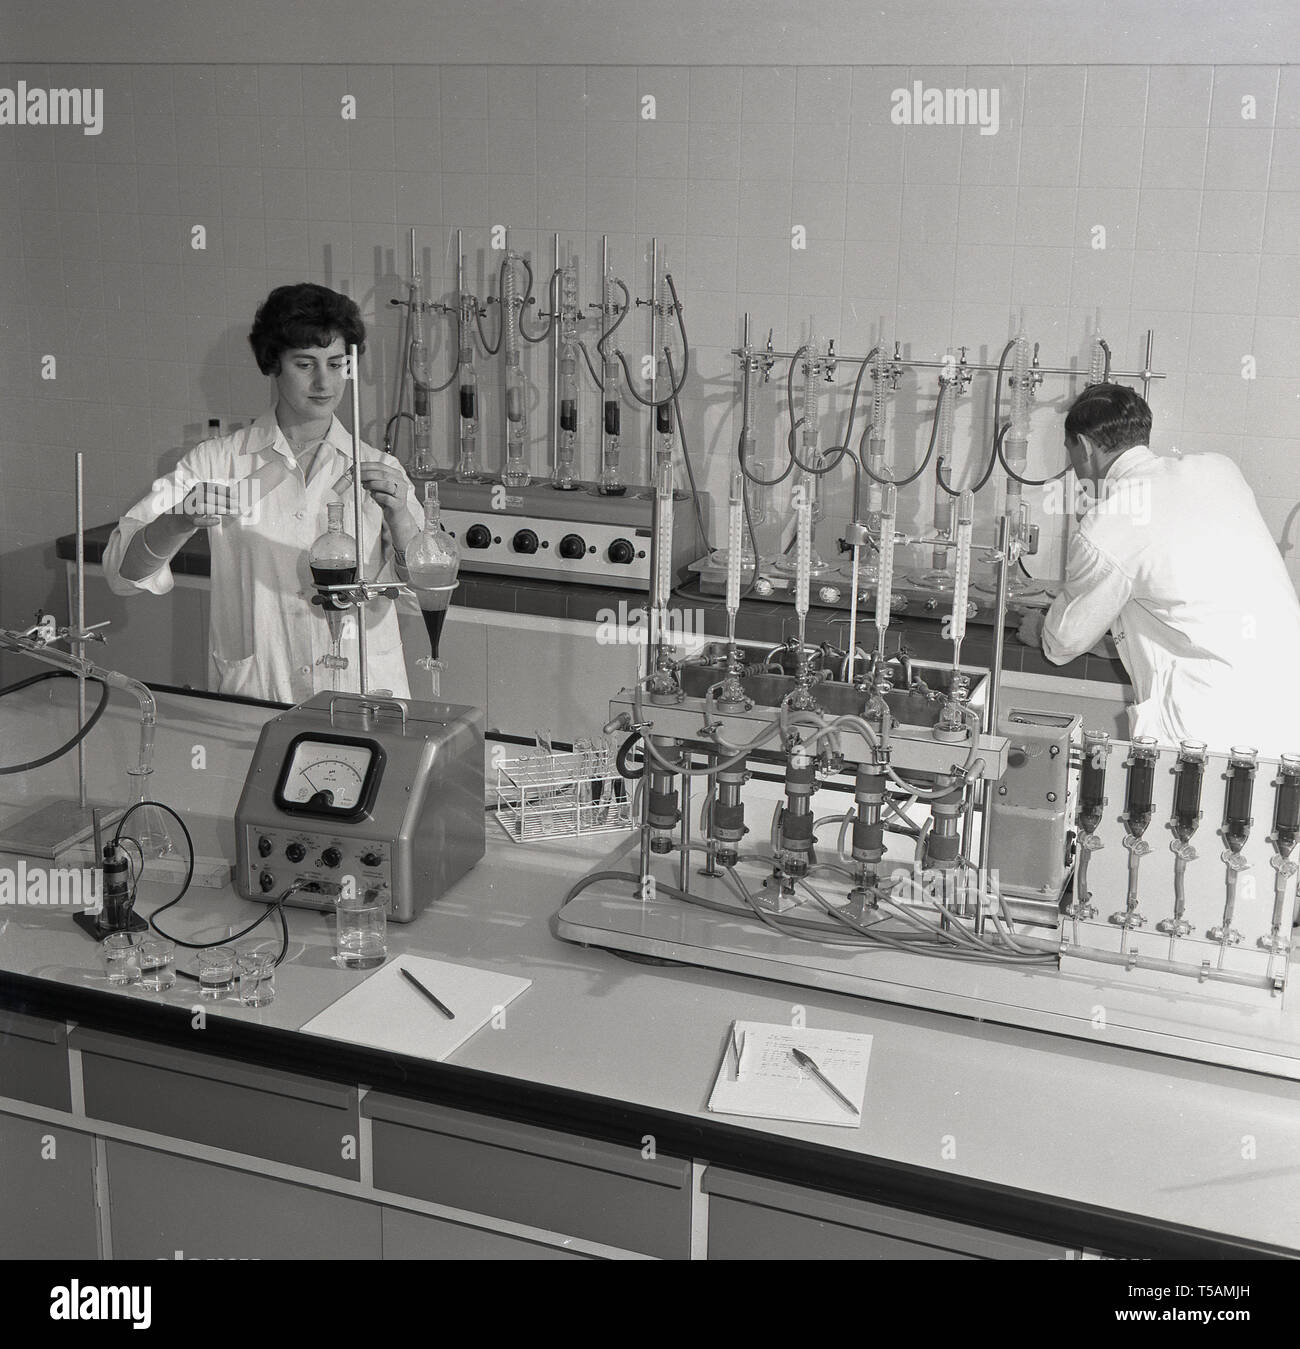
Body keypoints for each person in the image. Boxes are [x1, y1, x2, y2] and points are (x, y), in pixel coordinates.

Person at [104, 283, 423, 703]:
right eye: (305, 364)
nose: (324, 381)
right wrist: (178, 520)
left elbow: (425, 595)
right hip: (260, 690)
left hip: (363, 690)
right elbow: (123, 574)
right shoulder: (216, 463)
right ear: (273, 363)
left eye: (337, 363)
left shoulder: (380, 470)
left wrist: (400, 517)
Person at [1017, 383, 1300, 756]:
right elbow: (1187, 596)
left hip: (1208, 728)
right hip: (1283, 705)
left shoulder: (1109, 523)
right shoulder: (1219, 468)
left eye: (1071, 455)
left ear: (1084, 447)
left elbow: (1061, 643)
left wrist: (1037, 627)